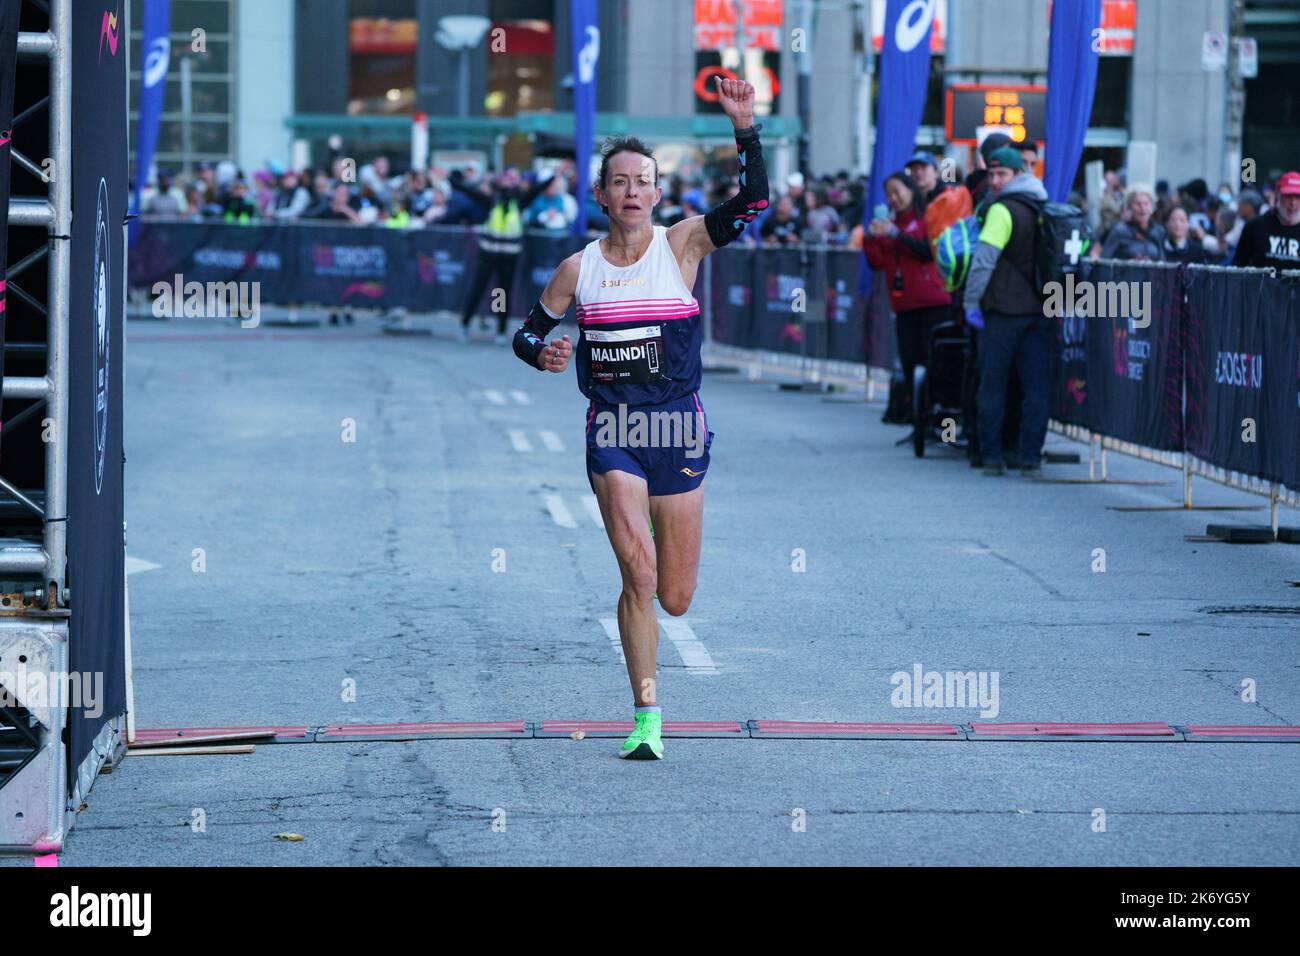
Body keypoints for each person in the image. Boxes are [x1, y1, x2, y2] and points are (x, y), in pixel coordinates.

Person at [510, 76, 768, 761]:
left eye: (642, 181)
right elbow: (525, 335)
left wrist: (745, 126)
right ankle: (646, 716)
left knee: (677, 597)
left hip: (678, 427)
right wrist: (543, 353)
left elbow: (756, 202)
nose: (630, 191)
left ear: (657, 194)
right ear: (601, 194)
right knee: (639, 577)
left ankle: (661, 545)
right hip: (614, 430)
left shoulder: (681, 246)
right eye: (618, 181)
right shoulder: (578, 270)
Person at [962, 147, 1051, 477]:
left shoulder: (1001, 210)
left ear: (1017, 175)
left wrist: (971, 303)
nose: (995, 181)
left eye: (1001, 174)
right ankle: (1030, 457)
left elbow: (983, 262)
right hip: (1041, 309)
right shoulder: (1044, 203)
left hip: (1002, 310)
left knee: (993, 384)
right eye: (991, 174)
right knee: (1036, 388)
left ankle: (992, 456)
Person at [863, 170, 951, 438]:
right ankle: (919, 423)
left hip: (934, 302)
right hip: (903, 306)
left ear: (911, 190)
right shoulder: (889, 222)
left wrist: (896, 234)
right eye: (889, 193)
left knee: (936, 365)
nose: (893, 197)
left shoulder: (927, 217)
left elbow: (928, 252)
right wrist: (871, 238)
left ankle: (941, 422)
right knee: (912, 364)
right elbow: (877, 263)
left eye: (897, 191)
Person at [458, 167, 553, 344]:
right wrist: (454, 181)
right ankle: (465, 324)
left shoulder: (519, 202)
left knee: (501, 293)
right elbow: (469, 192)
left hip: (508, 258)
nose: (508, 182)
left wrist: (554, 175)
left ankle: (500, 331)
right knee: (477, 290)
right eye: (506, 179)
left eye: (512, 179)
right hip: (488, 255)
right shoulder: (492, 201)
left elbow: (536, 190)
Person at [1232, 171, 1300, 271]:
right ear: (1278, 195)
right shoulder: (1254, 227)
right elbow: (1237, 269)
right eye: (1288, 196)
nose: (1293, 203)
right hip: (1260, 286)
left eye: (1298, 197)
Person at [1097, 186, 1165, 261]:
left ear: (1152, 207)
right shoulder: (1119, 231)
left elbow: (1163, 261)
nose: (1142, 208)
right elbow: (1104, 261)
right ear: (1129, 207)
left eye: (1146, 203)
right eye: (1137, 204)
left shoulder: (1158, 231)